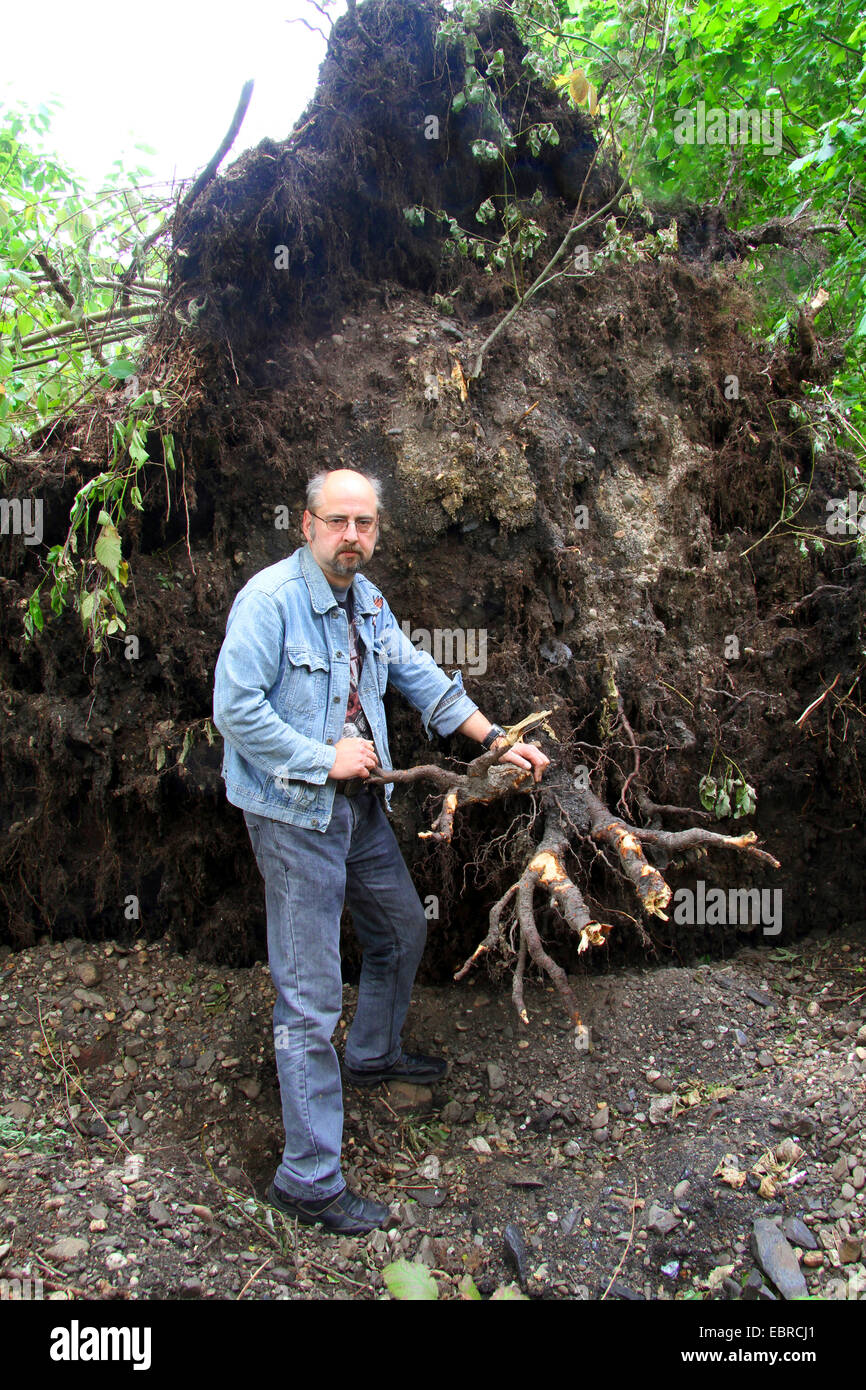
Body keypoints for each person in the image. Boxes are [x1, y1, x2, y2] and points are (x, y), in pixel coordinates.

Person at [213, 467, 550, 1234]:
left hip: (360, 808)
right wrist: (320, 755)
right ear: (306, 525)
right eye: (338, 521)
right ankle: (308, 1178)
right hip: (294, 813)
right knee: (308, 1001)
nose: (352, 536)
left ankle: (371, 1055)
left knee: (401, 928)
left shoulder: (365, 600)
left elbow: (422, 678)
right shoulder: (269, 602)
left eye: (364, 523)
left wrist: (498, 739)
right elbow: (233, 711)